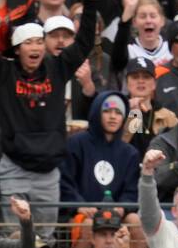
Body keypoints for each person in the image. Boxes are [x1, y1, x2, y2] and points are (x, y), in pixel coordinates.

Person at [0, 0, 101, 235]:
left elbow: (85, 41)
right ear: (17, 49)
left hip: (48, 172)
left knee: (44, 239)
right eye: (28, 42)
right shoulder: (4, 72)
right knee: (14, 238)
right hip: (14, 168)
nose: (35, 47)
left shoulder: (58, 68)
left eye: (39, 42)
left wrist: (90, 3)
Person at [60, 90, 142, 218]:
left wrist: (122, 208)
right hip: (81, 214)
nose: (113, 117)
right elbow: (65, 183)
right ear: (96, 113)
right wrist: (79, 205)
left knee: (134, 220)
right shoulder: (76, 143)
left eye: (118, 112)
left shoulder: (130, 153)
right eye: (107, 111)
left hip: (114, 217)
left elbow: (131, 191)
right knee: (86, 224)